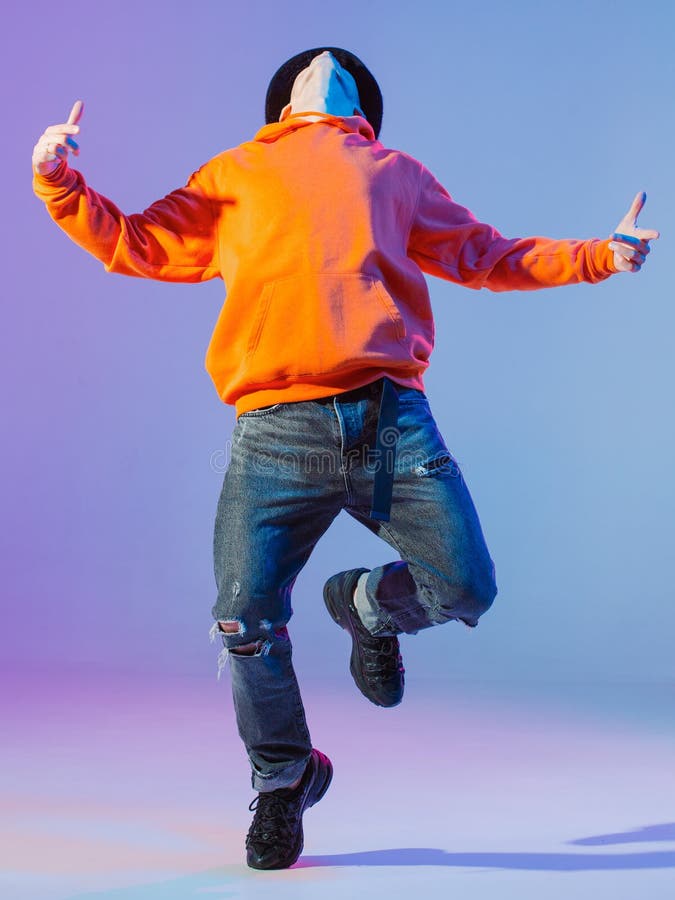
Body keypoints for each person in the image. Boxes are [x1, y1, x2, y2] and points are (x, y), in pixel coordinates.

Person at [32, 46, 659, 871]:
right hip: (273, 431)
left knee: (466, 584)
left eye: (342, 67)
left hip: (385, 419)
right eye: (308, 64)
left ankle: (366, 605)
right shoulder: (233, 172)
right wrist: (58, 182)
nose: (324, 63)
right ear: (278, 100)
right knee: (242, 618)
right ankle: (284, 778)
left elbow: (484, 254)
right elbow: (144, 243)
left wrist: (597, 256)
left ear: (363, 101)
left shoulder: (395, 171)